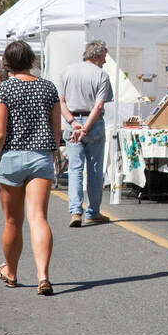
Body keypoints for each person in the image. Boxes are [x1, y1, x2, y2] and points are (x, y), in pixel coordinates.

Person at [0, 40, 62, 296]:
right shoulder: (48, 87)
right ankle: (43, 276)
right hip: (41, 156)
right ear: (31, 59)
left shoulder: (4, 89)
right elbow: (56, 129)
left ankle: (11, 271)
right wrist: (52, 154)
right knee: (38, 217)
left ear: (7, 63)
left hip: (11, 158)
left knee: (12, 221)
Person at [60, 40, 113, 228]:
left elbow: (61, 102)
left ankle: (75, 211)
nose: (105, 61)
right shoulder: (101, 75)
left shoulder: (67, 72)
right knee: (95, 169)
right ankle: (92, 212)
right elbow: (99, 105)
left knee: (74, 168)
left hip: (72, 122)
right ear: (97, 56)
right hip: (94, 124)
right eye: (104, 57)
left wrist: (74, 124)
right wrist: (86, 127)